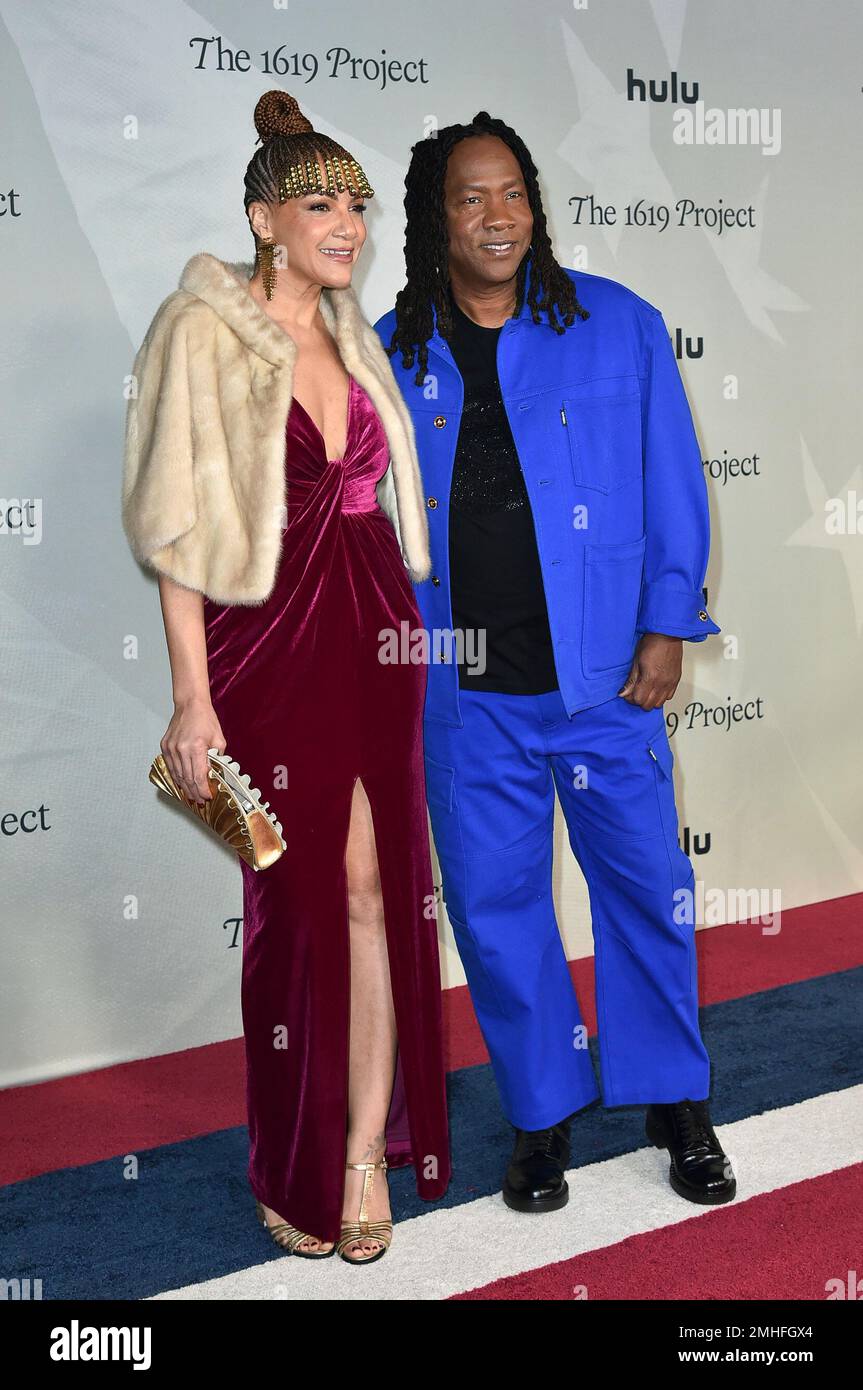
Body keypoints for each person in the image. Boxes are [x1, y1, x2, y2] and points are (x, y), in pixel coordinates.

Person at [374, 110, 736, 1215]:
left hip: (600, 685)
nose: (496, 217)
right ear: (433, 220)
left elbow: (672, 483)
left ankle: (672, 1099)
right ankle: (539, 1116)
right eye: (468, 198)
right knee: (494, 909)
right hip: (461, 693)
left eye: (512, 193)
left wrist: (666, 622)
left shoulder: (615, 326)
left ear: (534, 203)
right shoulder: (389, 352)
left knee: (644, 890)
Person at [121, 89, 451, 1263]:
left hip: (374, 634)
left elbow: (382, 500)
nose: (349, 223)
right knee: (296, 911)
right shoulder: (197, 331)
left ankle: (362, 1150)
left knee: (373, 893)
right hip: (262, 652)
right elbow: (174, 532)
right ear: (266, 219)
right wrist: (192, 694)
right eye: (321, 203)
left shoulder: (357, 341)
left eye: (357, 204)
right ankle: (291, 1158)